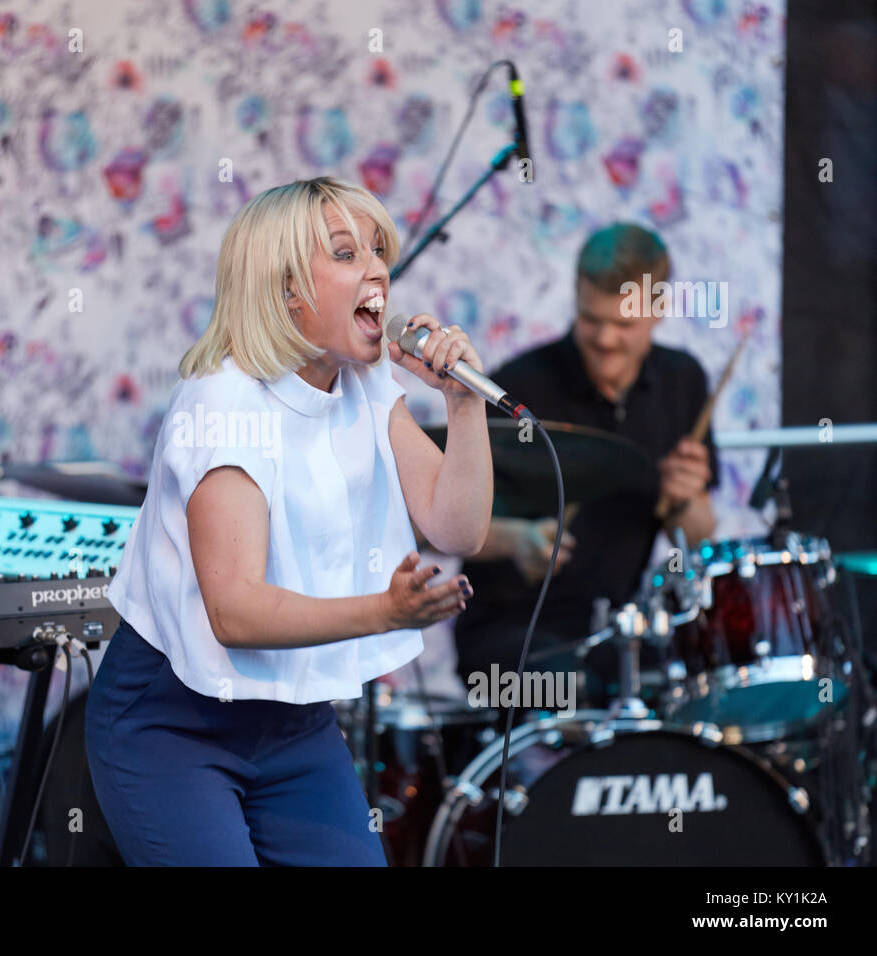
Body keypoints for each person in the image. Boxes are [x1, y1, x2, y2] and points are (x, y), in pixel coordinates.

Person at [85, 176, 493, 865]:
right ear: (284, 290)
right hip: (173, 721)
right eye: (345, 253)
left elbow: (459, 530)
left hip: (293, 719)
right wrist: (385, 612)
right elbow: (235, 613)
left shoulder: (365, 383)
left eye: (378, 250)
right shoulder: (224, 404)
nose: (377, 269)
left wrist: (464, 405)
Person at [453, 223, 718, 702]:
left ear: (659, 308)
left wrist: (687, 497)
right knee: (574, 691)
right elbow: (444, 524)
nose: (606, 339)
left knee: (695, 685)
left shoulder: (683, 381)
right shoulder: (516, 387)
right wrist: (518, 541)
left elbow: (698, 538)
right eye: (591, 319)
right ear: (576, 294)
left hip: (614, 628)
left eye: (624, 325)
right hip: (508, 633)